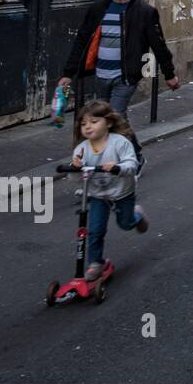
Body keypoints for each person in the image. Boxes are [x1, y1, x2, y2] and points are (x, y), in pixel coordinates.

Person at [59, 0, 180, 116]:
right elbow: (82, 41)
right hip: (100, 74)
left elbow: (158, 45)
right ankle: (128, 141)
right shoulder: (98, 9)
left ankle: (125, 140)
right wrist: (68, 73)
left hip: (125, 77)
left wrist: (169, 74)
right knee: (105, 120)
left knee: (115, 115)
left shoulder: (144, 12)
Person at [70, 100, 147, 281]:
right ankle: (96, 262)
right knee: (95, 230)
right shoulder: (81, 149)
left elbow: (132, 164)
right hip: (98, 194)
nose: (88, 127)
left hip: (122, 191)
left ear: (109, 123)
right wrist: (75, 168)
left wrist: (118, 167)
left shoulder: (119, 143)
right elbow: (75, 178)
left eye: (94, 122)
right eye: (83, 124)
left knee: (125, 224)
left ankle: (137, 215)